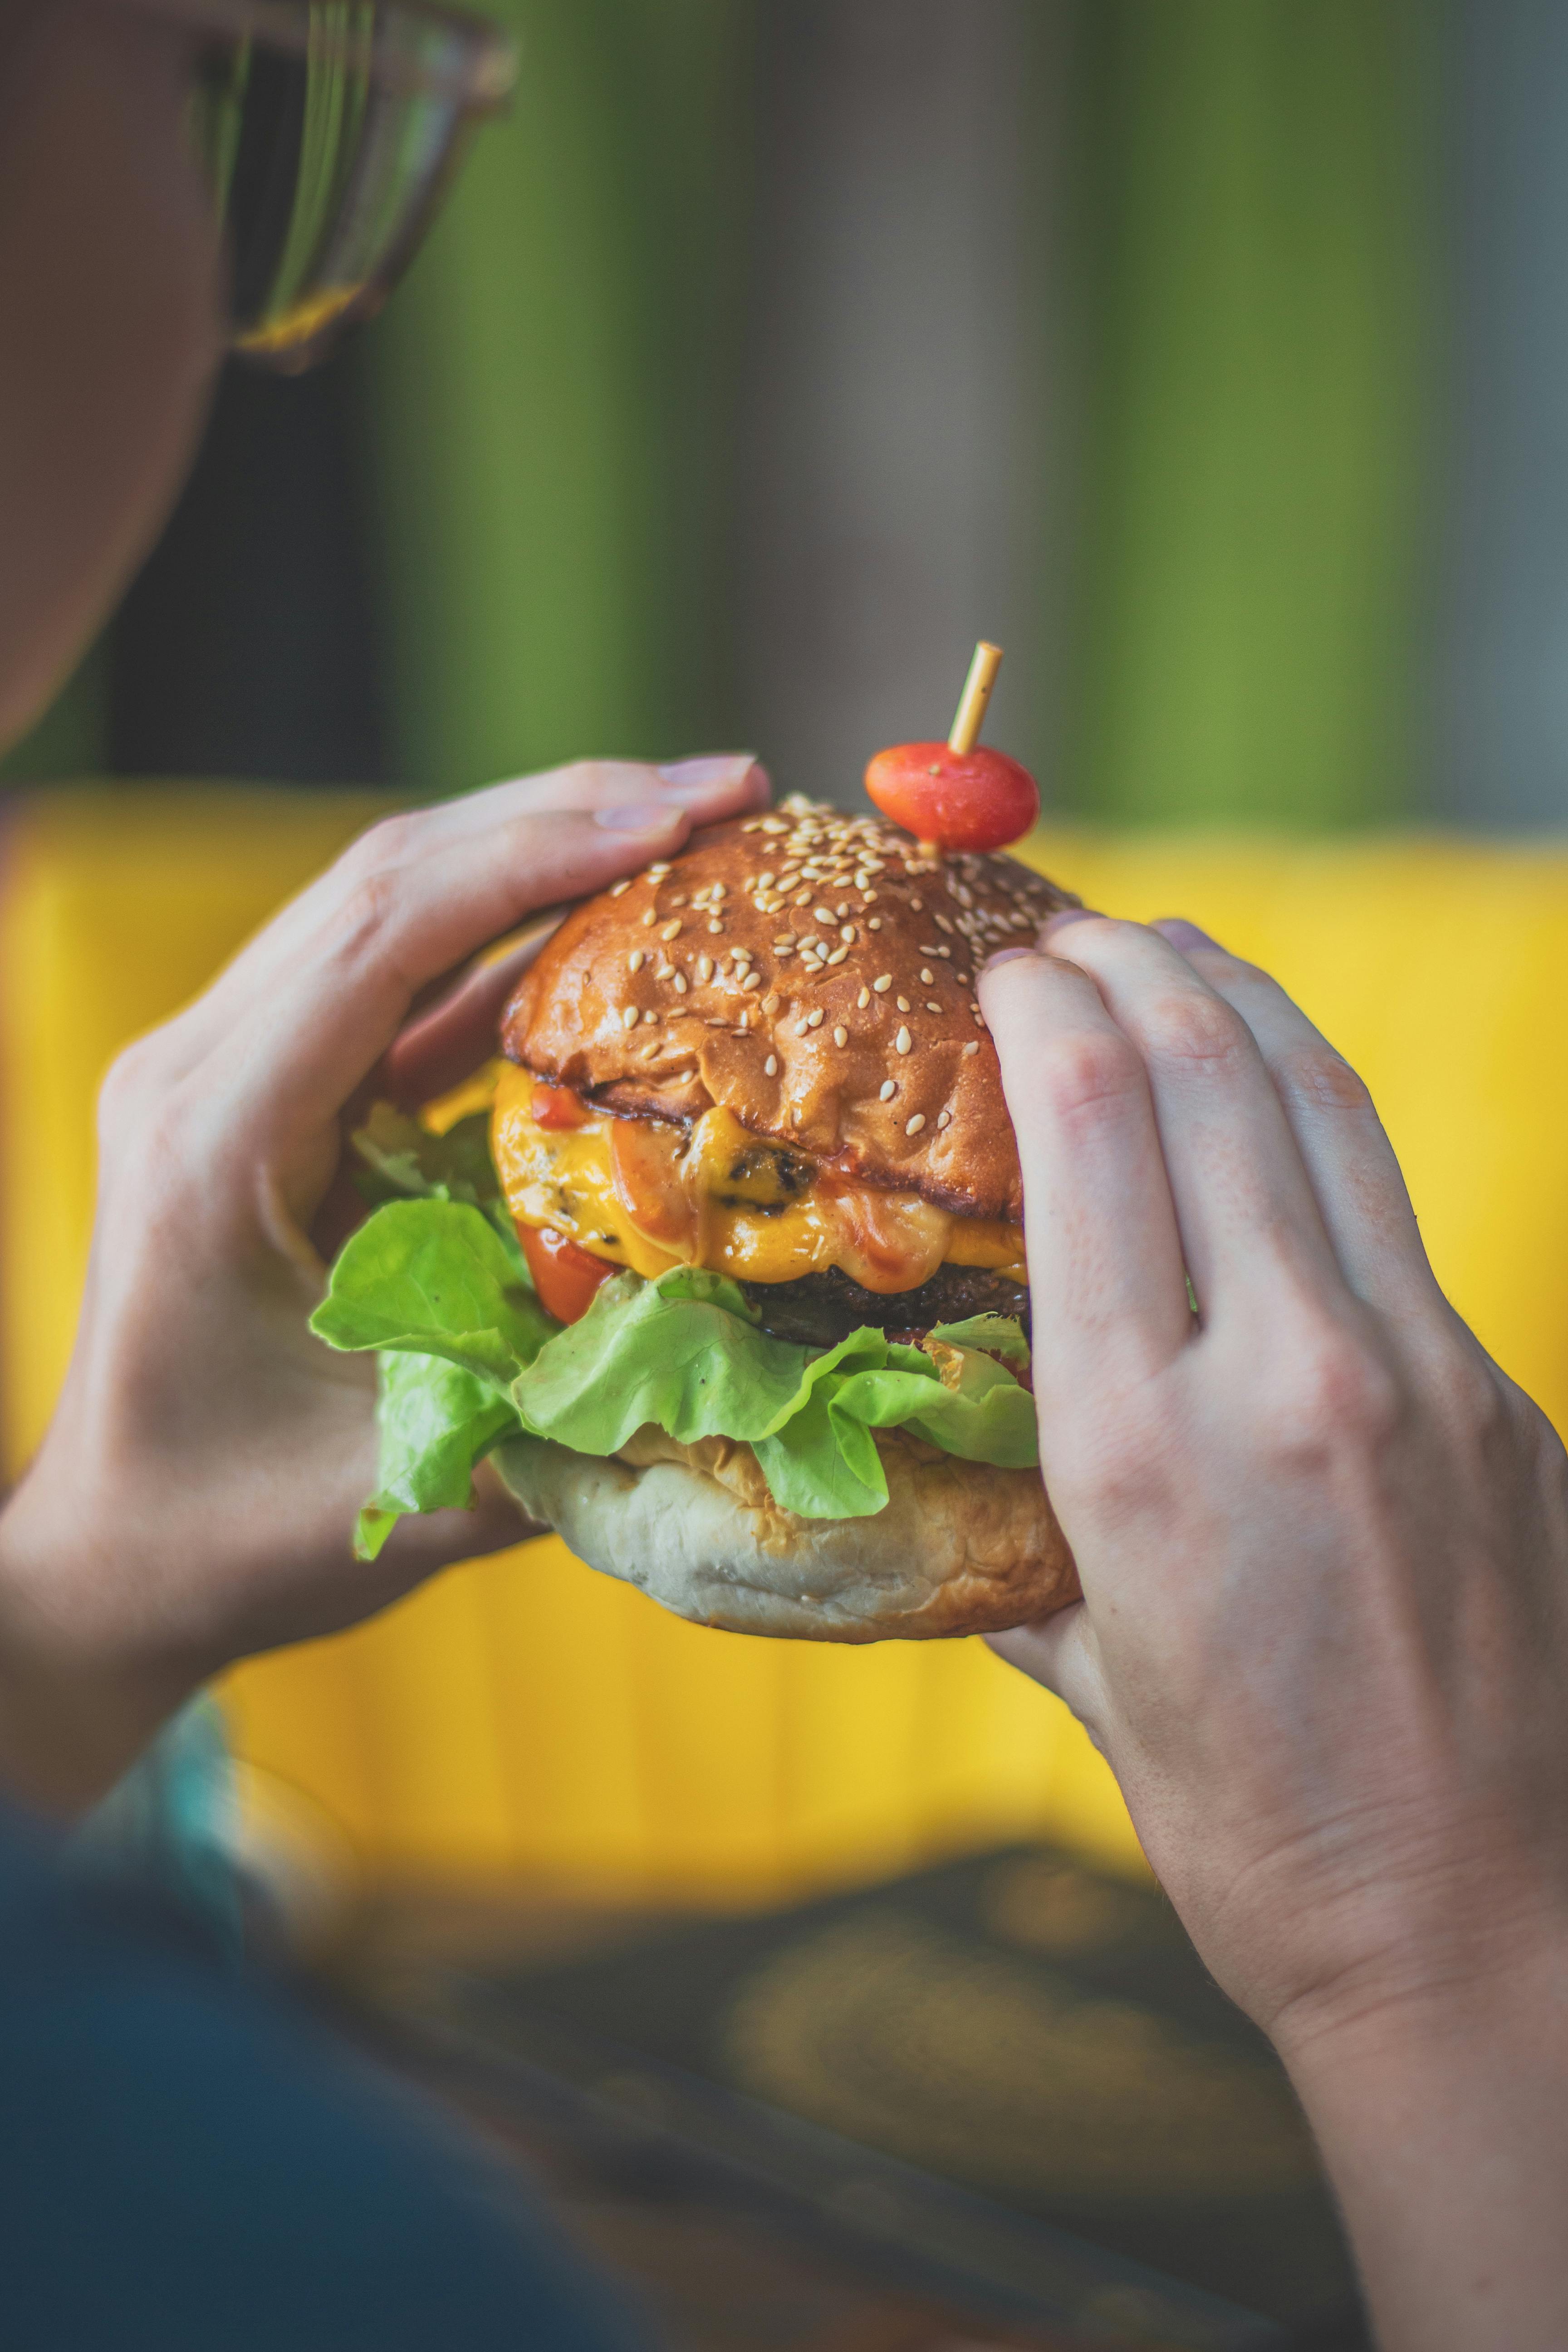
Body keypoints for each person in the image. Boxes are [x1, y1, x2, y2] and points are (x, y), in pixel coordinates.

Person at [3, 4, 1568, 2348]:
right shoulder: (316, 2249)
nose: (261, 283)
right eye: (237, 89)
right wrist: (1451, 1945)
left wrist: (70, 1614)